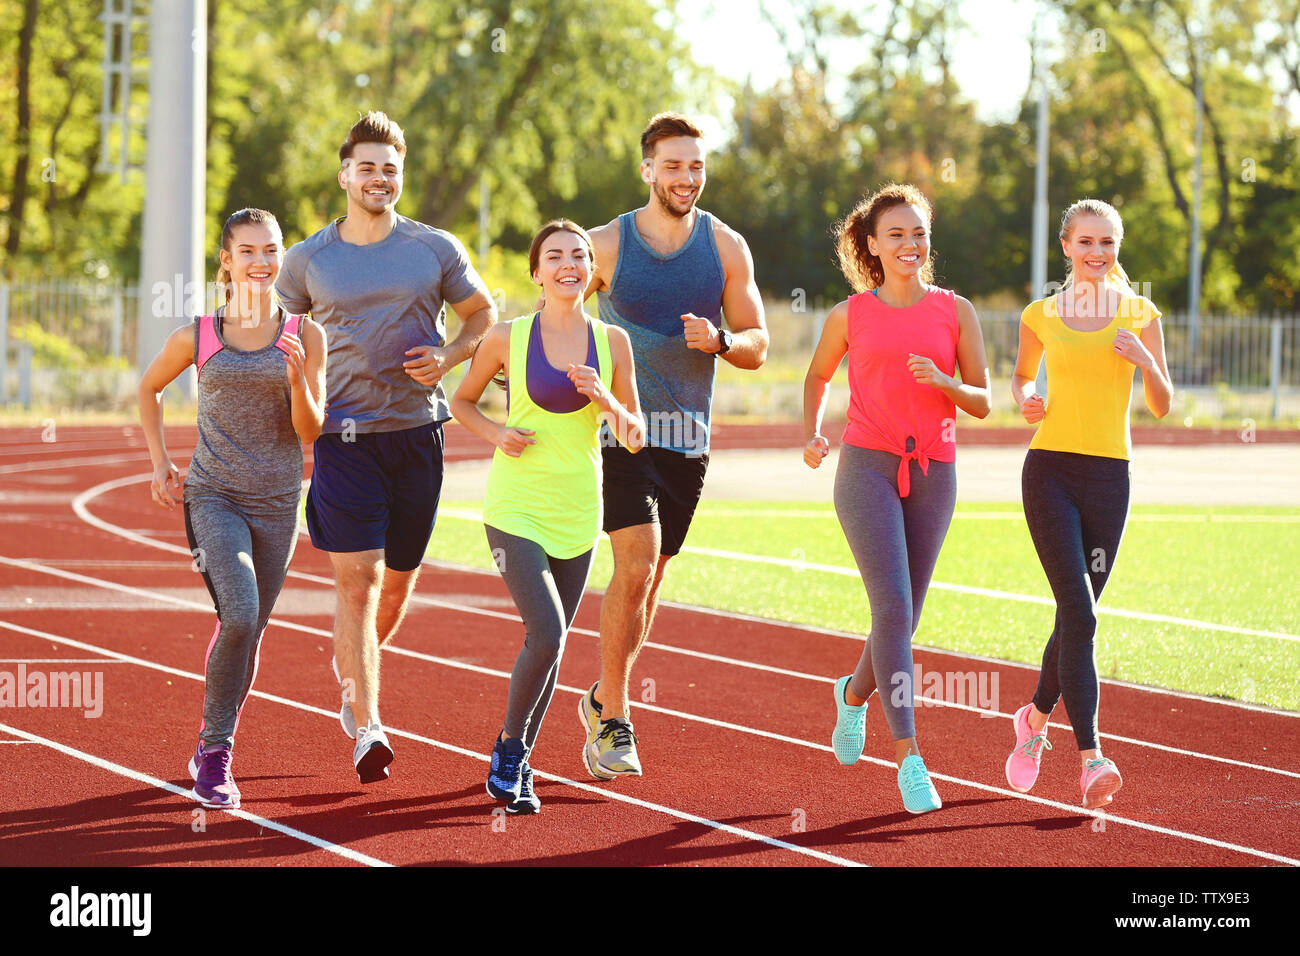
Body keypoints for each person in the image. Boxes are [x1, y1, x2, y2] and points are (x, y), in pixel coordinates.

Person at [274, 111, 496, 783]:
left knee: (395, 585)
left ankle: (352, 660)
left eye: (390, 168)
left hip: (418, 438)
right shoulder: (309, 258)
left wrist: (453, 354)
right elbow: (274, 334)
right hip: (344, 441)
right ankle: (367, 723)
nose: (379, 177)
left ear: (401, 176)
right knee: (360, 580)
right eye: (366, 166)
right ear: (345, 175)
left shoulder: (435, 248)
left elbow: (482, 315)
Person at [577, 112, 769, 780]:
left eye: (696, 165)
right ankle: (615, 722)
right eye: (674, 165)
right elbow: (559, 314)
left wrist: (720, 341)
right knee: (635, 563)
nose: (687, 177)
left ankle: (604, 692)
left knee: (652, 578)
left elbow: (757, 341)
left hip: (689, 441)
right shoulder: (603, 245)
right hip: (620, 431)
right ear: (647, 169)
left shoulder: (726, 248)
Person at [803, 183, 991, 814]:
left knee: (903, 618)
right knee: (891, 603)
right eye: (896, 235)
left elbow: (985, 402)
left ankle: (854, 695)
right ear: (873, 245)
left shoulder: (955, 311)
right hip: (865, 469)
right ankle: (911, 758)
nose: (910, 244)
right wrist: (812, 431)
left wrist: (946, 382)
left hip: (935, 470)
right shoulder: (849, 315)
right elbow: (817, 374)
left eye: (918, 233)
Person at [451, 220, 645, 813]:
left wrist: (605, 399)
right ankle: (510, 752)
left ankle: (522, 765)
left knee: (553, 647)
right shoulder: (509, 337)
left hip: (579, 511)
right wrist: (496, 432)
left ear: (592, 271)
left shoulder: (613, 344)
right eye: (555, 256)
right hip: (515, 509)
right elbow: (460, 400)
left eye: (579, 256)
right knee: (549, 630)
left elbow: (635, 437)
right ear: (537, 271)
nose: (569, 264)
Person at [138, 208, 326, 809]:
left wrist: (298, 383)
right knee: (240, 616)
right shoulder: (198, 334)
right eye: (247, 251)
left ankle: (210, 745)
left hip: (277, 504)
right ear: (226, 260)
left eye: (271, 250)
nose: (261, 262)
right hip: (213, 495)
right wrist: (159, 462)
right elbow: (149, 388)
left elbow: (311, 432)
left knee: (251, 631)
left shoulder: (305, 334)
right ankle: (215, 753)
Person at [1004, 199, 1172, 810]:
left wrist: (1148, 361)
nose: (1097, 253)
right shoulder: (1040, 313)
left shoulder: (1139, 313)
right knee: (1082, 611)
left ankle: (1034, 720)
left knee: (1076, 615)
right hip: (1048, 471)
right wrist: (1026, 397)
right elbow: (1021, 376)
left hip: (1110, 479)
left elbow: (1161, 403)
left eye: (1107, 243)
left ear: (1116, 248)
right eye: (1086, 242)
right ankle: (1090, 757)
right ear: (1067, 247)